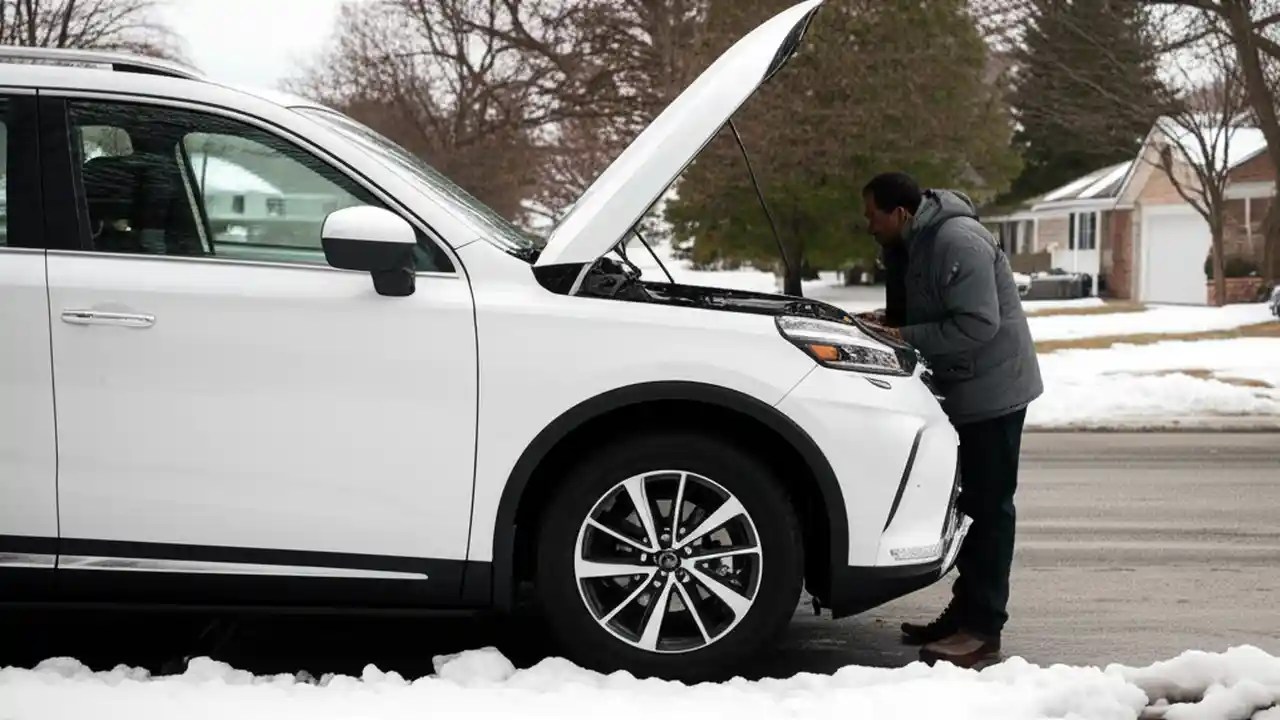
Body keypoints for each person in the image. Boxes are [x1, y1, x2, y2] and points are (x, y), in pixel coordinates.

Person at [859, 172, 1043, 669]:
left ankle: (983, 631)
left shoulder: (957, 240)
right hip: (966, 389)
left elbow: (978, 324)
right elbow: (931, 308)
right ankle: (964, 615)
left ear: (900, 213)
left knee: (989, 511)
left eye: (873, 217)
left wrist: (904, 336)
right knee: (968, 508)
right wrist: (890, 323)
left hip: (995, 392)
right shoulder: (916, 242)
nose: (869, 226)